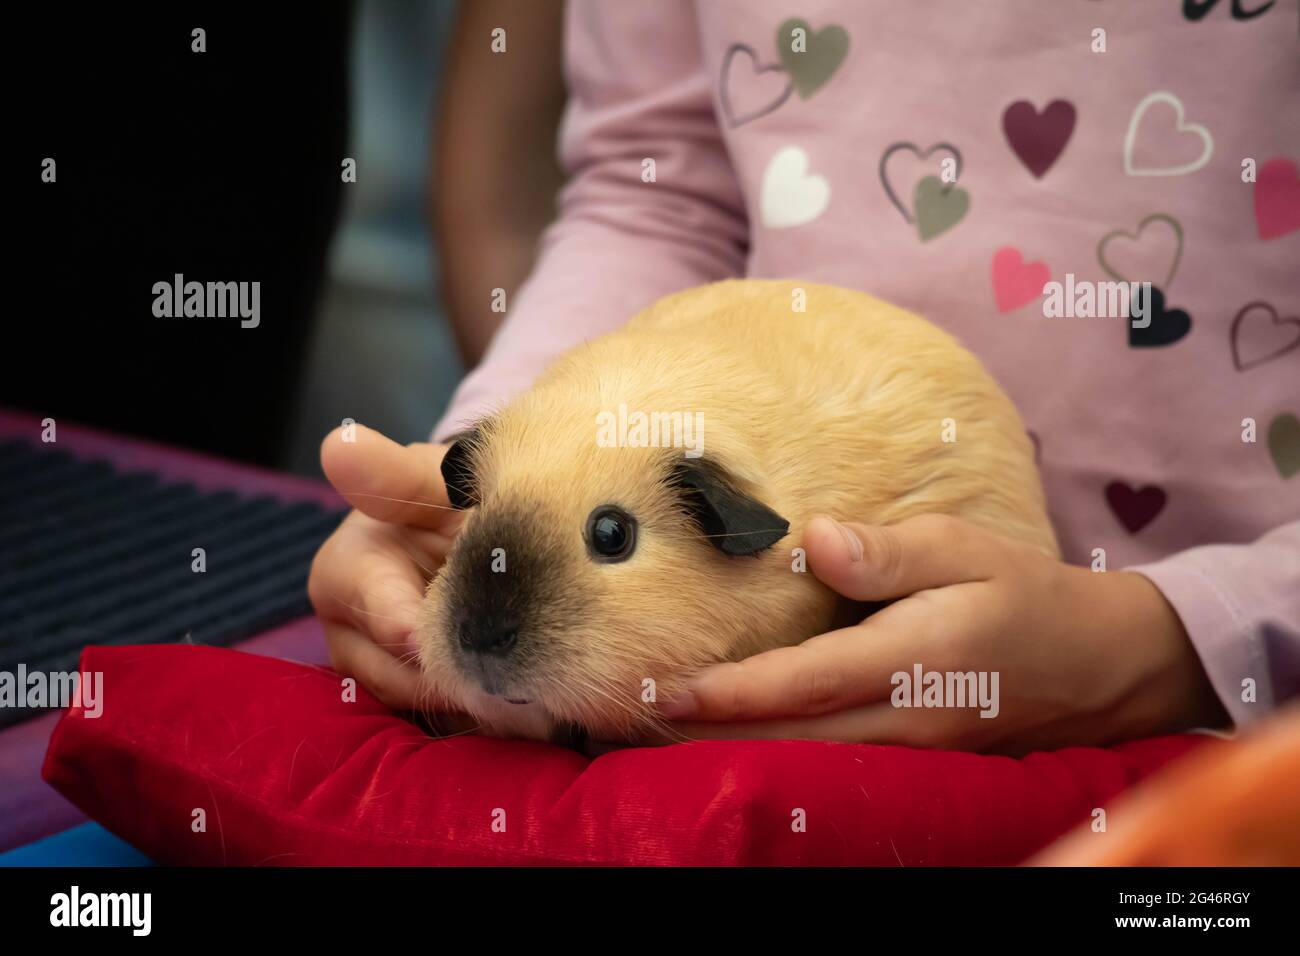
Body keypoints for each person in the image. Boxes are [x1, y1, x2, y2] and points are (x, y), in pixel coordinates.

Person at [309, 1, 1299, 753]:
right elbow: (654, 197)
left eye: (613, 536)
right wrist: (453, 478)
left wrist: (1189, 641)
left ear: (732, 519)